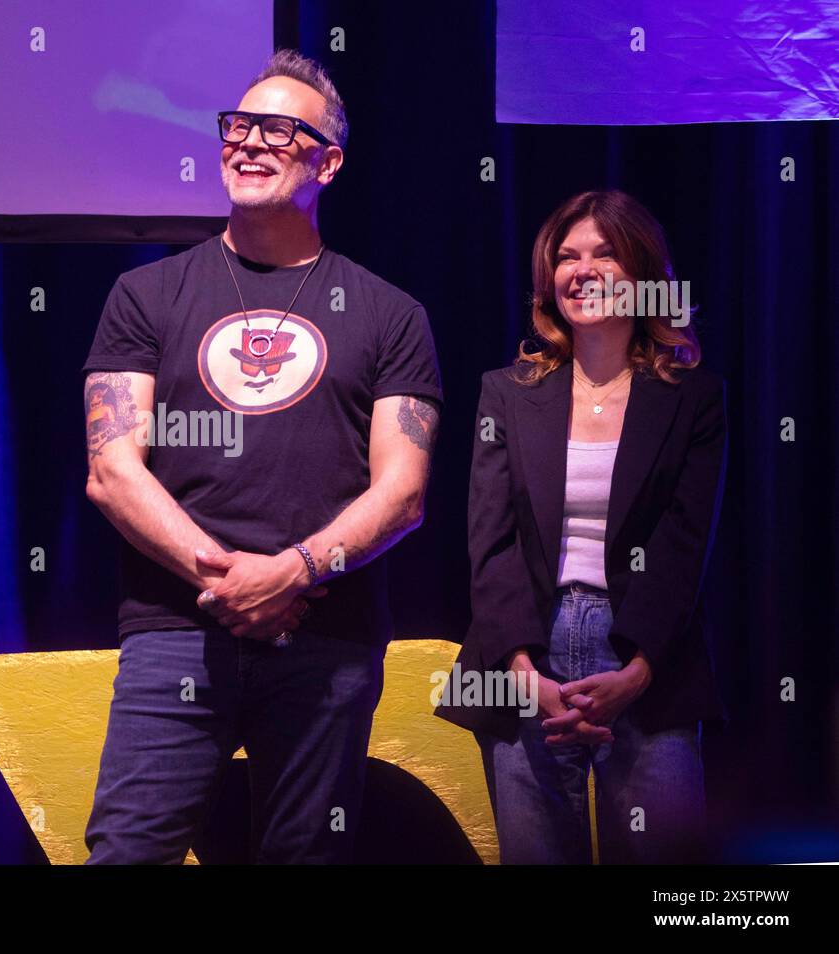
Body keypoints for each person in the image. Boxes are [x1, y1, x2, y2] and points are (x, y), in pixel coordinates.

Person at [81, 50, 443, 863]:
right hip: (178, 628)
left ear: (329, 160)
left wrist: (293, 573)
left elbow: (404, 489)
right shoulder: (145, 296)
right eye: (237, 126)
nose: (247, 142)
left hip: (325, 632)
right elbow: (112, 468)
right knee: (126, 851)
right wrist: (231, 578)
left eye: (278, 130)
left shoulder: (391, 314)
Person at [436, 190, 726, 863]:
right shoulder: (507, 392)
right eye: (567, 257)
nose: (583, 269)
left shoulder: (694, 398)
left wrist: (637, 673)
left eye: (605, 254)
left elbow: (686, 544)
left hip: (649, 659)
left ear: (644, 276)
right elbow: (490, 541)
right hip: (524, 655)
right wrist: (520, 670)